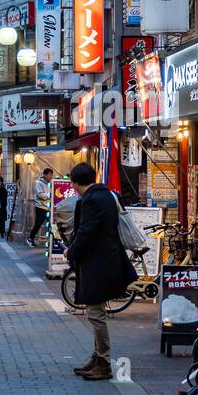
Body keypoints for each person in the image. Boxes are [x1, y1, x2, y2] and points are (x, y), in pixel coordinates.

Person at [64, 162, 137, 381]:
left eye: (72, 181)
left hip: (98, 263)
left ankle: (103, 362)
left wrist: (71, 251)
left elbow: (87, 232)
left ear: (75, 182)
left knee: (96, 315)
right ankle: (96, 357)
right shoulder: (106, 194)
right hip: (105, 261)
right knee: (97, 312)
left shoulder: (92, 200)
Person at [28, 167, 54, 248]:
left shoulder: (50, 183)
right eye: (50, 174)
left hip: (49, 207)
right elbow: (39, 194)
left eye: (52, 174)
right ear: (44, 175)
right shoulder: (39, 183)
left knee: (52, 224)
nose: (51, 176)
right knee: (38, 223)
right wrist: (50, 195)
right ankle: (30, 239)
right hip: (41, 207)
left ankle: (53, 241)